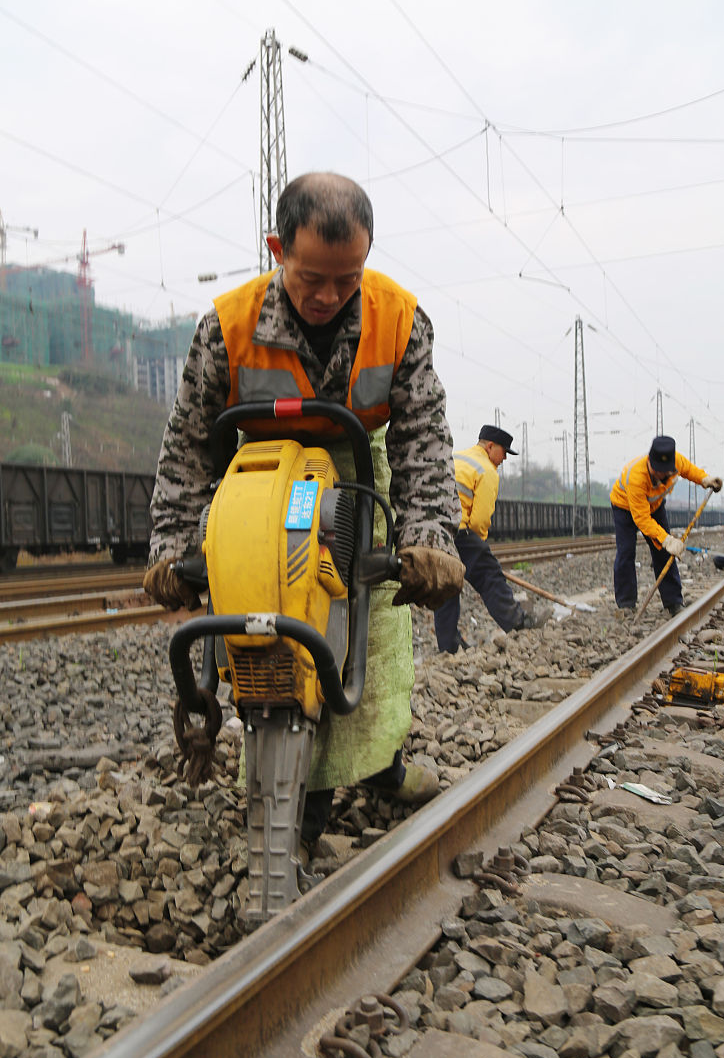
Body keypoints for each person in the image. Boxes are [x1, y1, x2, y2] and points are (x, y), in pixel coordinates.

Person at [143, 171, 465, 835]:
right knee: (263, 625)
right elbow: (189, 443)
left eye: (347, 278)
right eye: (310, 277)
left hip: (353, 470)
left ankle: (380, 764)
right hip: (257, 481)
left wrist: (429, 534)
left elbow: (423, 437)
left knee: (372, 636)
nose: (328, 295)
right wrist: (174, 545)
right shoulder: (227, 326)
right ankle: (292, 772)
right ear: (276, 248)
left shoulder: (399, 318)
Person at [433, 424, 542, 653]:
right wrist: (479, 549)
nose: (504, 459)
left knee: (447, 586)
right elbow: (479, 521)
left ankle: (449, 646)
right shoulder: (487, 470)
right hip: (460, 531)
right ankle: (517, 623)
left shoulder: (457, 457)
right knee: (490, 576)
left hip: (436, 530)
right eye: (503, 452)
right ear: (490, 446)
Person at [610, 434, 722, 616]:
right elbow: (643, 520)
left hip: (655, 506)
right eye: (658, 471)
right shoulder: (636, 477)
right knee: (626, 552)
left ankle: (674, 602)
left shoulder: (675, 461)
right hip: (625, 508)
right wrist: (666, 539)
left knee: (663, 553)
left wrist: (704, 479)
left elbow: (689, 469)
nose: (662, 474)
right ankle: (626, 604)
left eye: (665, 471)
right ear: (650, 463)